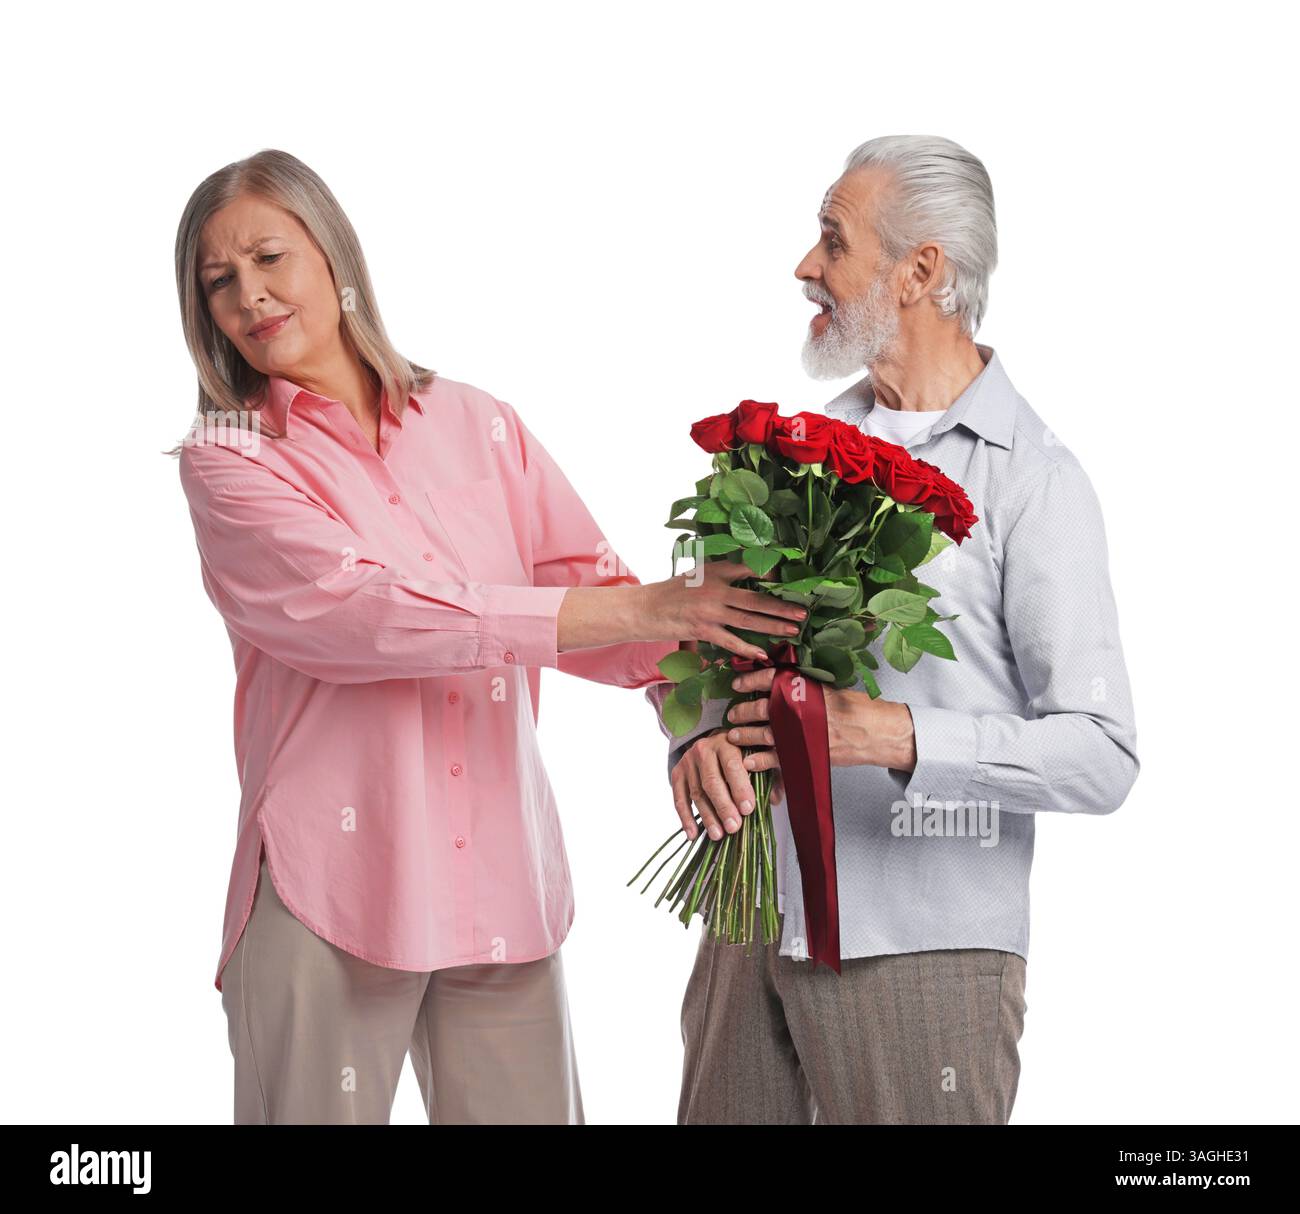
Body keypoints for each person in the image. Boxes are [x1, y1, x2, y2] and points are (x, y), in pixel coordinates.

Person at [172, 148, 808, 1125]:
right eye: (220, 281)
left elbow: (595, 603)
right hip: (327, 884)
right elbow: (367, 614)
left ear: (335, 257)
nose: (249, 295)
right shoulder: (230, 459)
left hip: (497, 879)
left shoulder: (479, 424)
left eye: (268, 258)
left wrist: (708, 694)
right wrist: (654, 610)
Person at [652, 134, 1140, 1125]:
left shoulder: (1033, 480)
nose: (803, 266)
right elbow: (704, 652)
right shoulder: (794, 463)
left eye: (832, 240)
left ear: (922, 270)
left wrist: (887, 733)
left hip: (923, 951)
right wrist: (695, 731)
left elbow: (1102, 753)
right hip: (750, 922)